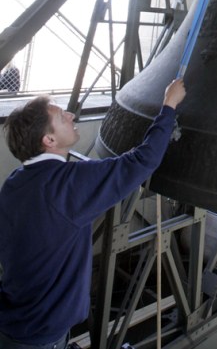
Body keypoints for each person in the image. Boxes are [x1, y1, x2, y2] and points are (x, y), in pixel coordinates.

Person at [0, 77, 187, 348]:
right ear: (49, 139)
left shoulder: (15, 182)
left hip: (14, 322)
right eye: (61, 116)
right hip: (41, 335)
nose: (71, 114)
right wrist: (169, 105)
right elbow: (142, 161)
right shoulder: (67, 184)